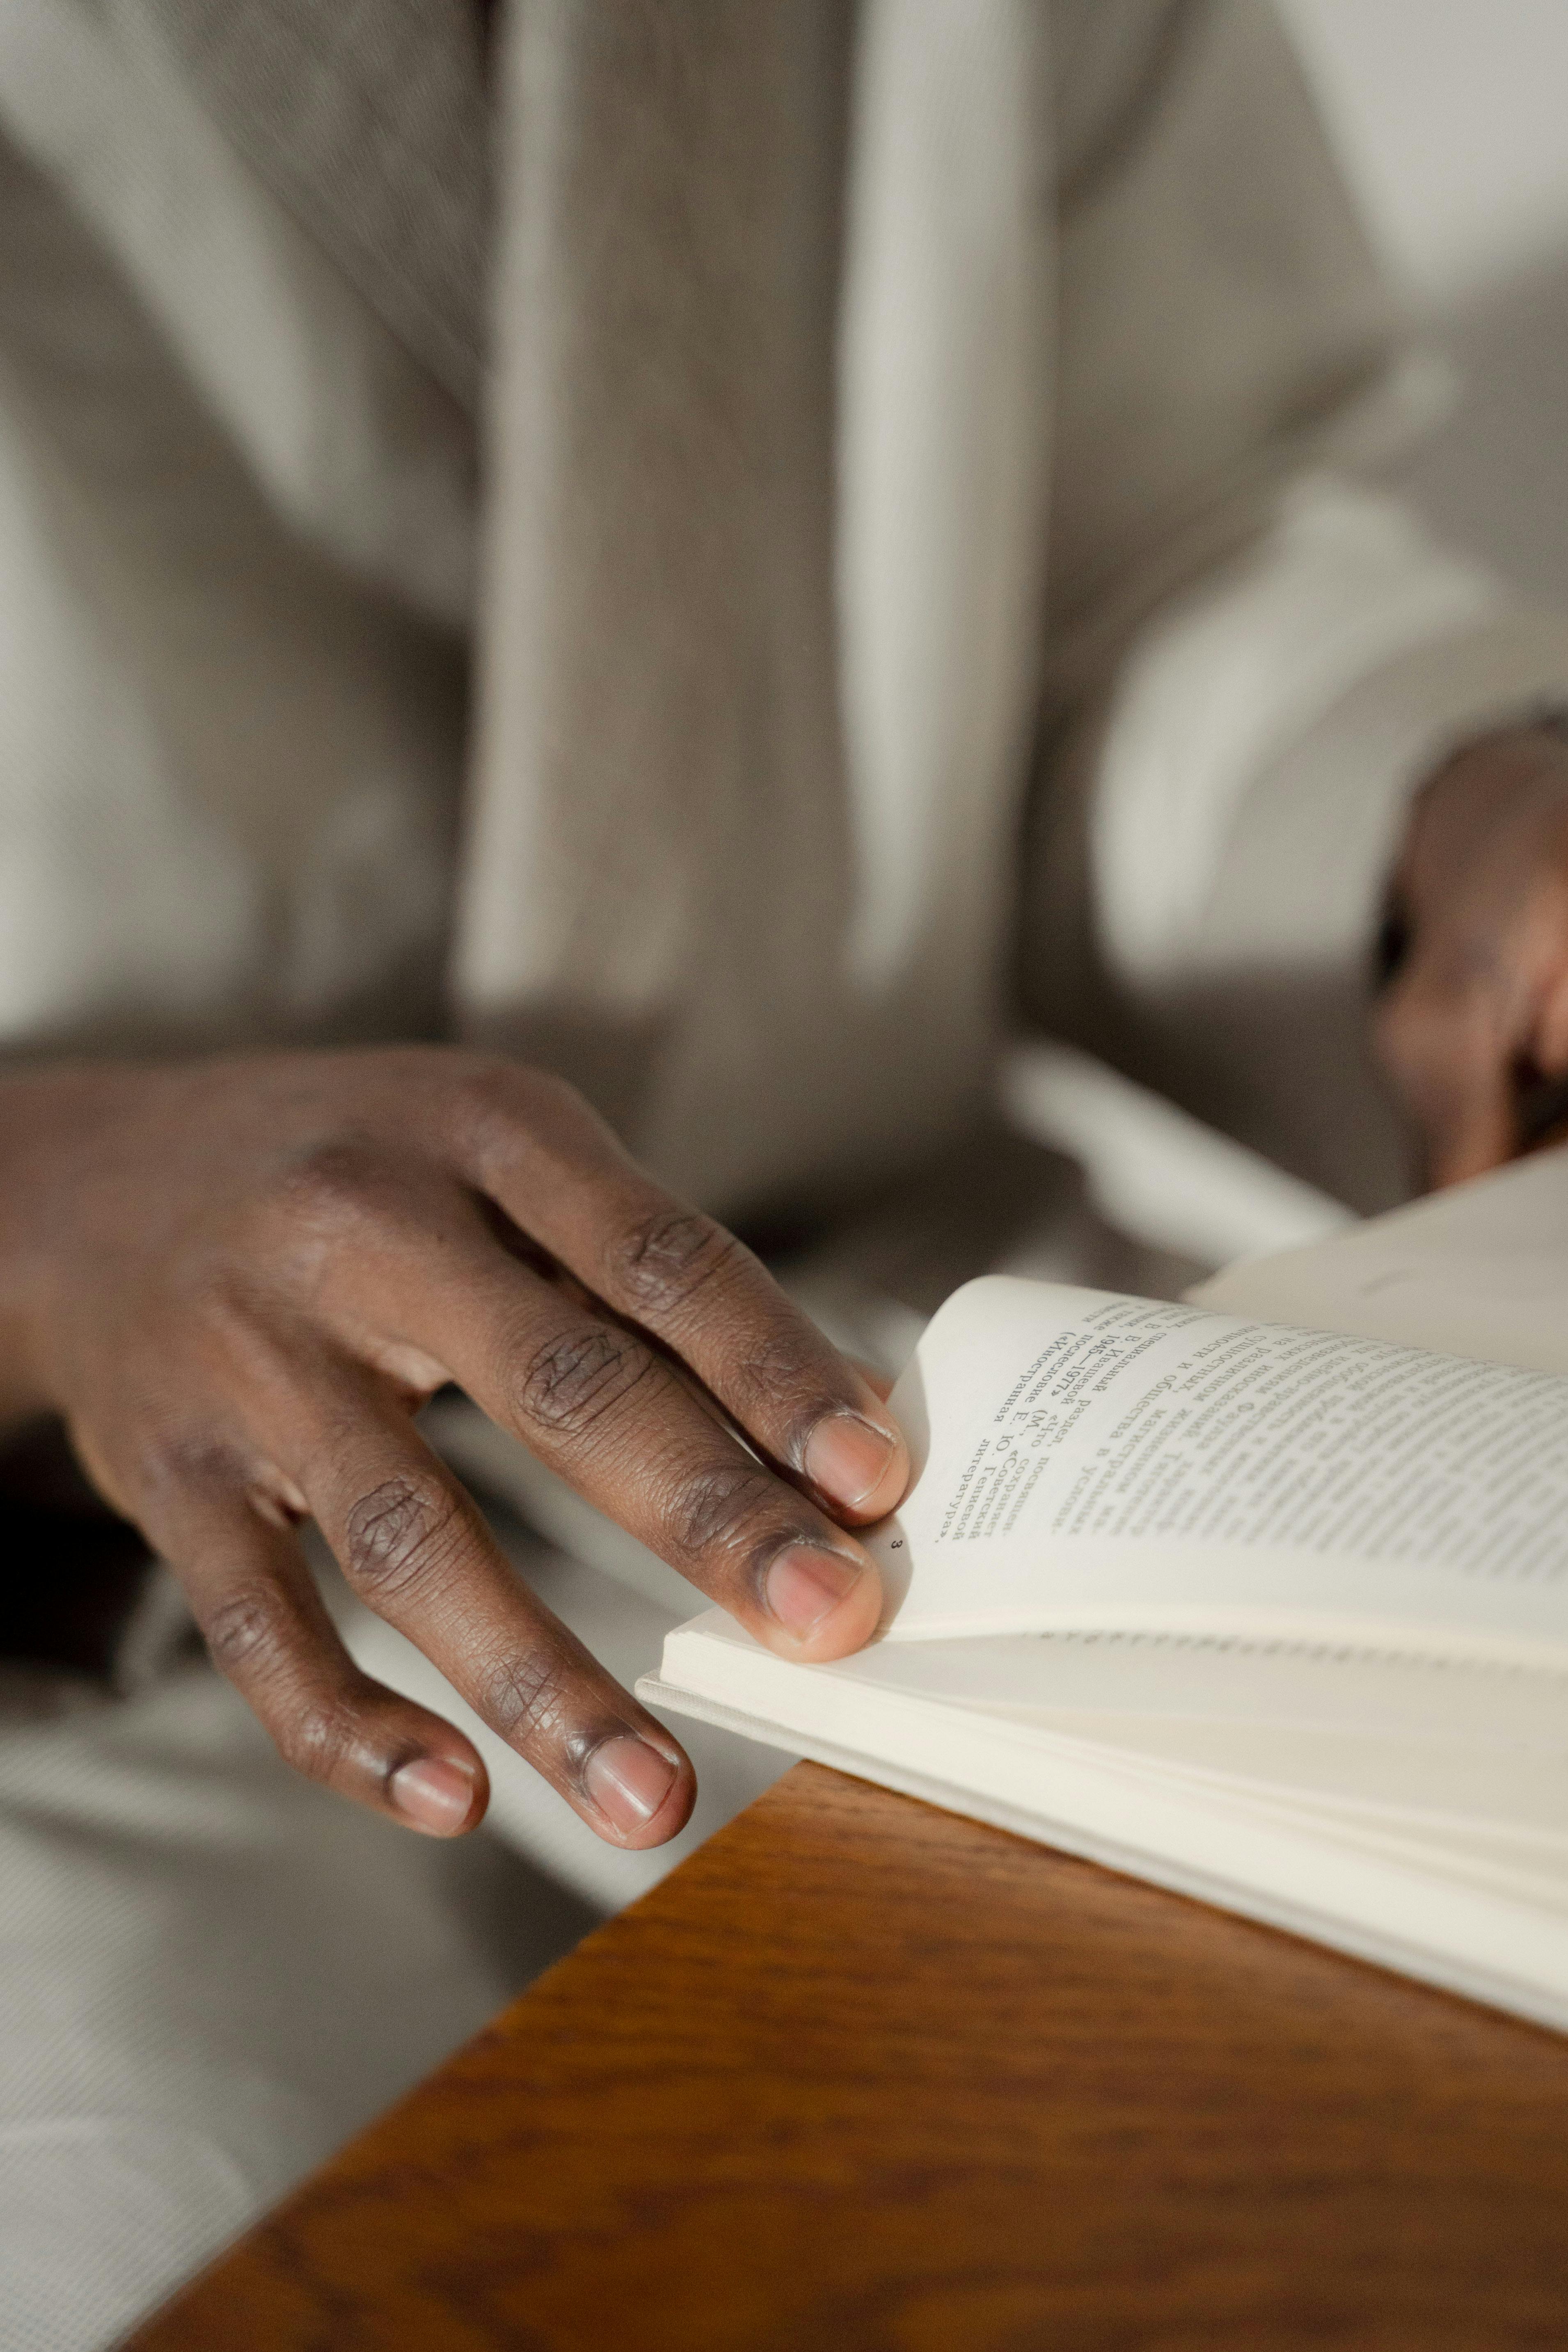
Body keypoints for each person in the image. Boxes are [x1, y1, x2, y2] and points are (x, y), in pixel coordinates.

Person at [5, 2, 1568, 2341]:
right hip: (81, 1612)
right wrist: (50, 1202)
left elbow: (1141, 548)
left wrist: (1452, 826)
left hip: (912, 1378)